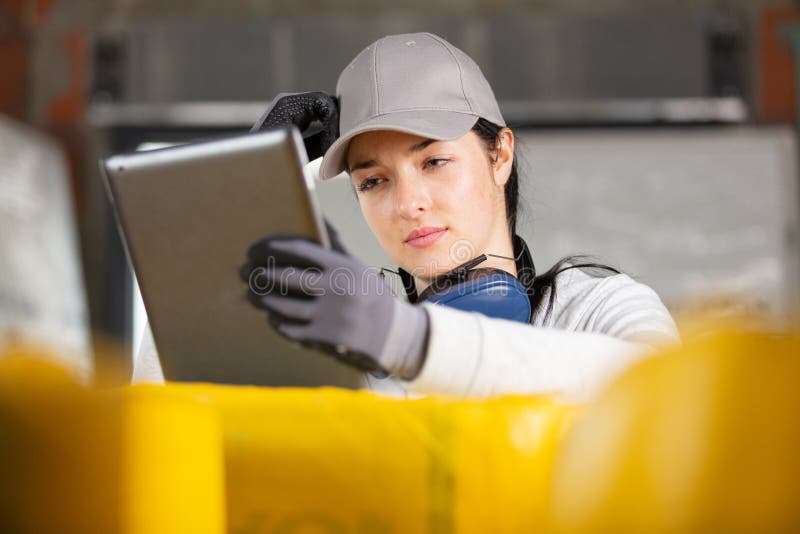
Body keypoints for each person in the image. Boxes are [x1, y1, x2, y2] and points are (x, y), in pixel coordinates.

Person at [135, 33, 678, 400]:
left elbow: (659, 399)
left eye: (435, 161)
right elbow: (159, 418)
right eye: (374, 180)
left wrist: (410, 341)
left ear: (500, 156)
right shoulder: (354, 360)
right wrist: (241, 193)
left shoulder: (597, 309)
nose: (407, 203)